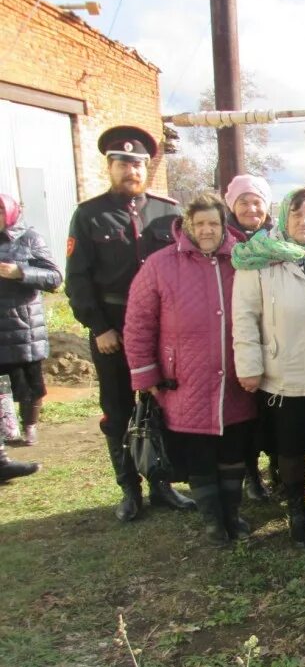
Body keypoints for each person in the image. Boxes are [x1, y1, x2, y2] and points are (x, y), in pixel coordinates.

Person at [65, 125, 195, 521]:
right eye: (122, 164)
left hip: (162, 328)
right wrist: (99, 327)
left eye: (137, 165)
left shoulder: (168, 212)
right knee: (118, 410)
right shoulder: (89, 215)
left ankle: (162, 483)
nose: (130, 171)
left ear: (146, 168)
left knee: (163, 405)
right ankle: (129, 489)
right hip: (114, 328)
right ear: (110, 167)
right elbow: (77, 279)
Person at [124, 193, 257, 546]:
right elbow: (138, 323)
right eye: (199, 224)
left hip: (236, 378)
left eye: (213, 223)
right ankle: (213, 521)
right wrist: (146, 373)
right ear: (187, 226)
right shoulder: (160, 265)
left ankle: (232, 513)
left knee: (233, 452)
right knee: (200, 455)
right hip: (186, 380)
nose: (207, 230)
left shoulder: (242, 261)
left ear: (224, 225)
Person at [232, 188, 305, 547]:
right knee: (290, 449)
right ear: (284, 216)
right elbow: (244, 315)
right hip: (282, 372)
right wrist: (249, 365)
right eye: (297, 214)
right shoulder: (261, 256)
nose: (304, 221)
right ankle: (297, 512)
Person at [0, 194, 62, 478]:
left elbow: (54, 277)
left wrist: (20, 272)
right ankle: (7, 435)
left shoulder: (29, 238)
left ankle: (29, 427)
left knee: (30, 384)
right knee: (2, 390)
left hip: (22, 325)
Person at [223, 174, 276, 502]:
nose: (251, 208)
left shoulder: (278, 242)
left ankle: (277, 469)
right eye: (244, 202)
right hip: (234, 332)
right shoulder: (224, 242)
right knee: (243, 410)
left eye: (257, 202)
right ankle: (250, 473)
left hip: (272, 334)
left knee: (271, 410)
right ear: (232, 206)